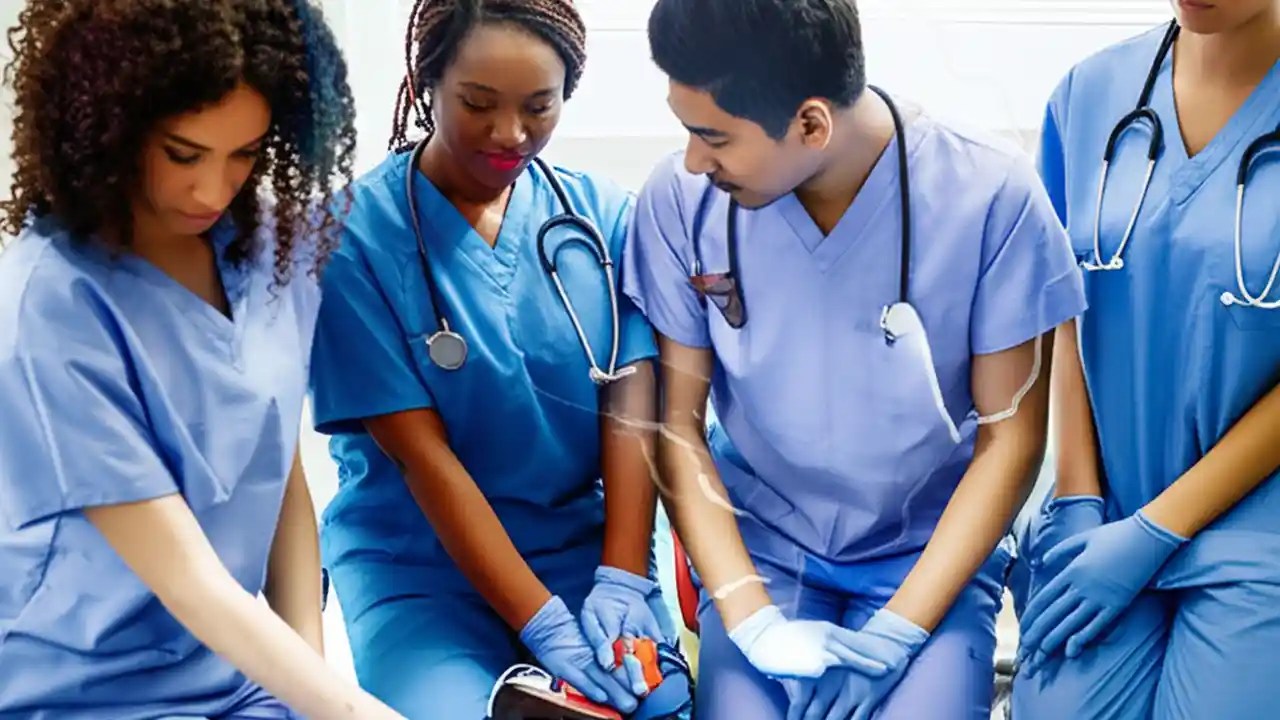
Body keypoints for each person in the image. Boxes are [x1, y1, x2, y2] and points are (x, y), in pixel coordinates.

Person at [621, 1, 1089, 718]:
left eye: (712, 136)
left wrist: (902, 629)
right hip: (764, 552)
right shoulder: (680, 200)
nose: (692, 159)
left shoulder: (991, 196)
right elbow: (676, 428)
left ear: (811, 124)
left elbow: (1011, 440)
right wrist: (752, 619)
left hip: (927, 557)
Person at [0, 1, 403, 719]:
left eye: (244, 154)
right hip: (81, 691)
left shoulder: (274, 249)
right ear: (111, 126)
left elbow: (278, 474)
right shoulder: (52, 302)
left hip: (230, 672)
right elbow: (188, 578)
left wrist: (311, 682)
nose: (214, 191)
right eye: (183, 154)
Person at [306, 1, 687, 718]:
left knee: (657, 709)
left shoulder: (602, 219)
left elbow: (634, 410)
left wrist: (624, 575)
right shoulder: (352, 236)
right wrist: (541, 623)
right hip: (419, 570)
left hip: (584, 557)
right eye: (477, 104)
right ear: (424, 87)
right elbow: (424, 460)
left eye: (539, 107)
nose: (510, 134)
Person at [1011, 1, 1280, 717]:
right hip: (1104, 503)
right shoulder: (1090, 94)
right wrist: (1074, 499)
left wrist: (1160, 526)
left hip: (1261, 524)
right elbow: (1068, 302)